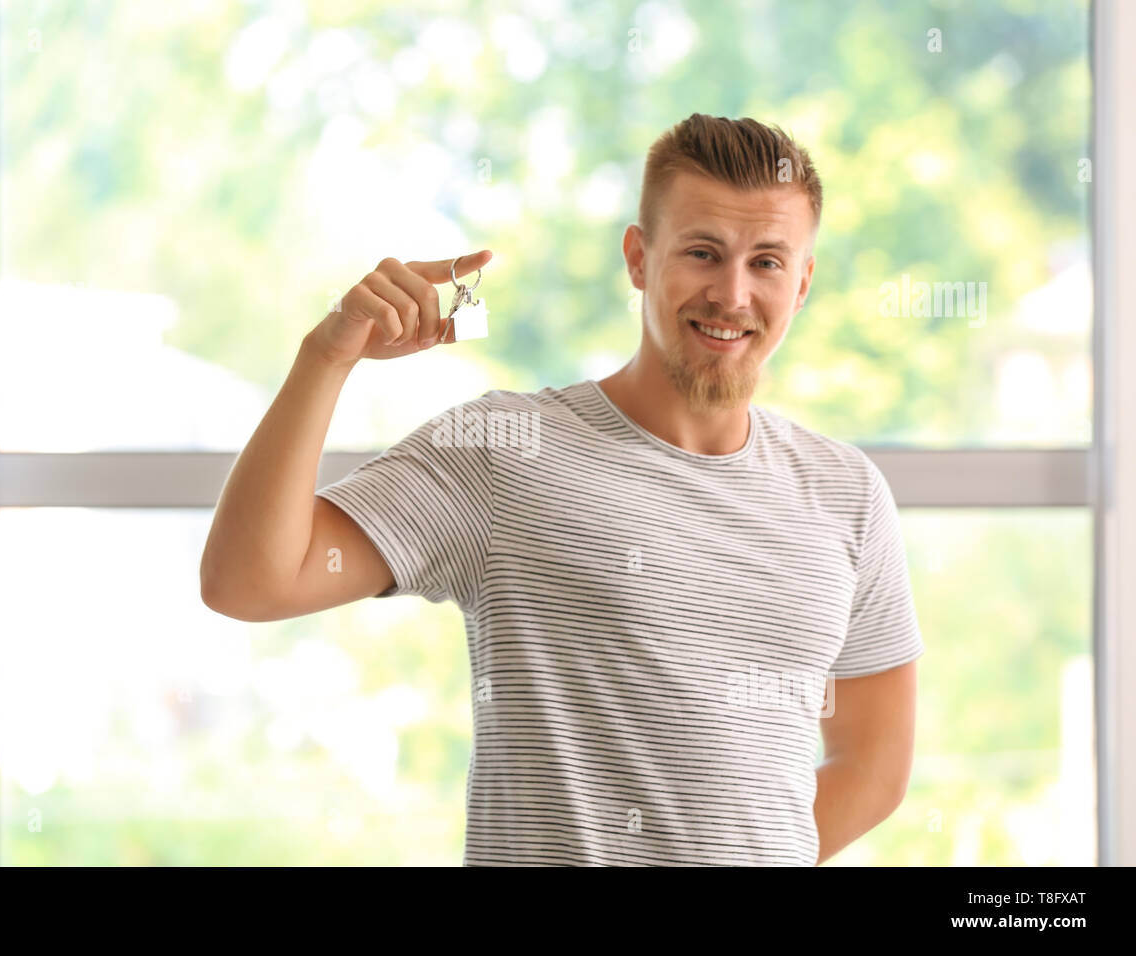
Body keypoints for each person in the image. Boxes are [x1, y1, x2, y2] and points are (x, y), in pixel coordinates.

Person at [201, 113, 923, 866]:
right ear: (639, 258)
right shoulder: (504, 451)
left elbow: (874, 766)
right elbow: (250, 582)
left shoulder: (847, 496)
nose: (732, 294)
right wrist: (327, 357)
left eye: (767, 262)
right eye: (702, 253)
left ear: (802, 282)